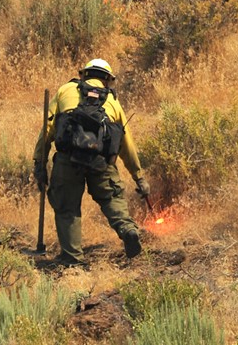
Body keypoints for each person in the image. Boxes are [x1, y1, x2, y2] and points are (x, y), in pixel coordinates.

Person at [33, 58, 151, 267]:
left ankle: (72, 259)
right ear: (107, 79)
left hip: (68, 161)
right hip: (102, 163)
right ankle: (127, 229)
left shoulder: (66, 90)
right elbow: (126, 143)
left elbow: (47, 130)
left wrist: (39, 163)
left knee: (67, 207)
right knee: (111, 198)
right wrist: (138, 176)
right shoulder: (113, 102)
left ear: (84, 74)